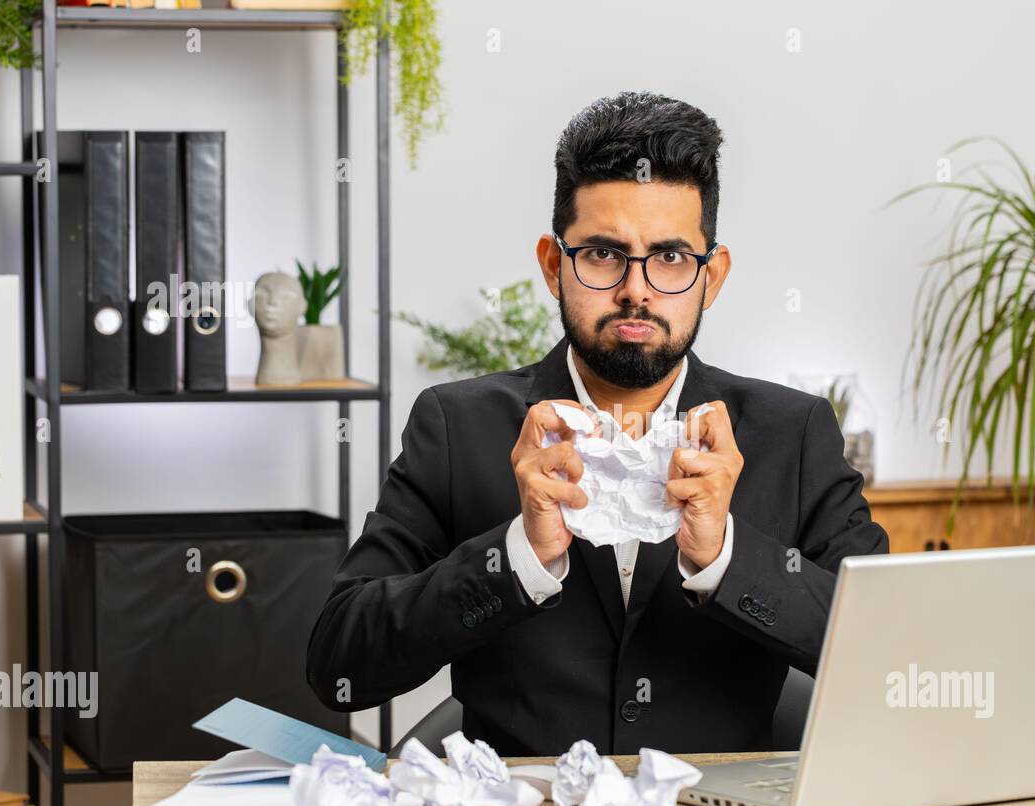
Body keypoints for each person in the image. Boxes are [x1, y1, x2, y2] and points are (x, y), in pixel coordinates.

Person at [307, 91, 889, 756]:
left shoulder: (794, 433)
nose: (636, 289)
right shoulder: (455, 428)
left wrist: (726, 555)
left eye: (671, 258)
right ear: (555, 266)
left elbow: (887, 658)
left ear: (712, 276)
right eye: (604, 254)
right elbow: (339, 667)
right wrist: (515, 555)